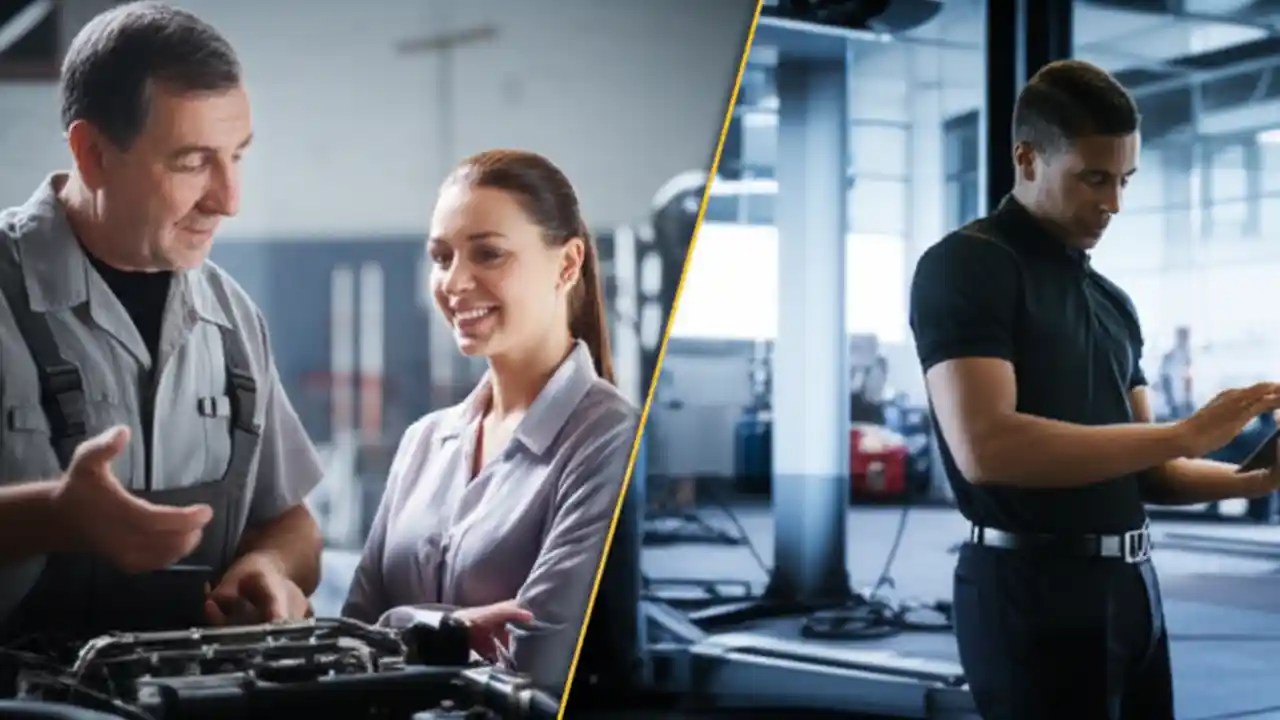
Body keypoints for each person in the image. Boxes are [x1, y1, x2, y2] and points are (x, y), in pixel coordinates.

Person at [908, 59, 1280, 720]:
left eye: (1124, 180)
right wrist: (1189, 430)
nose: (1113, 203)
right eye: (1094, 178)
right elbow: (985, 446)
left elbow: (1155, 473)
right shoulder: (968, 265)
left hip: (1133, 587)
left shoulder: (1113, 302)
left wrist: (1257, 482)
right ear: (1027, 158)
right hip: (1030, 592)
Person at [0, 1, 324, 639]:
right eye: (191, 161)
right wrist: (52, 517)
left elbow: (293, 524)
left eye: (238, 156)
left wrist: (268, 565)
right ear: (92, 153)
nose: (228, 200)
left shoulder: (231, 317)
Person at [341, 150, 640, 697]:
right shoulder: (423, 442)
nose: (455, 283)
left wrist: (396, 628)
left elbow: (535, 666)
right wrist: (446, 629)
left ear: (567, 264)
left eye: (489, 254)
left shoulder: (607, 436)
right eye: (441, 256)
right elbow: (346, 643)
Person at [1159, 326, 1194, 419]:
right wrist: (1170, 399)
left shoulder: (1186, 354)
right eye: (1184, 336)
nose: (1186, 339)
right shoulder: (1170, 356)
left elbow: (1188, 378)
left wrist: (1188, 398)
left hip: (1184, 399)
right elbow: (1165, 378)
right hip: (1175, 399)